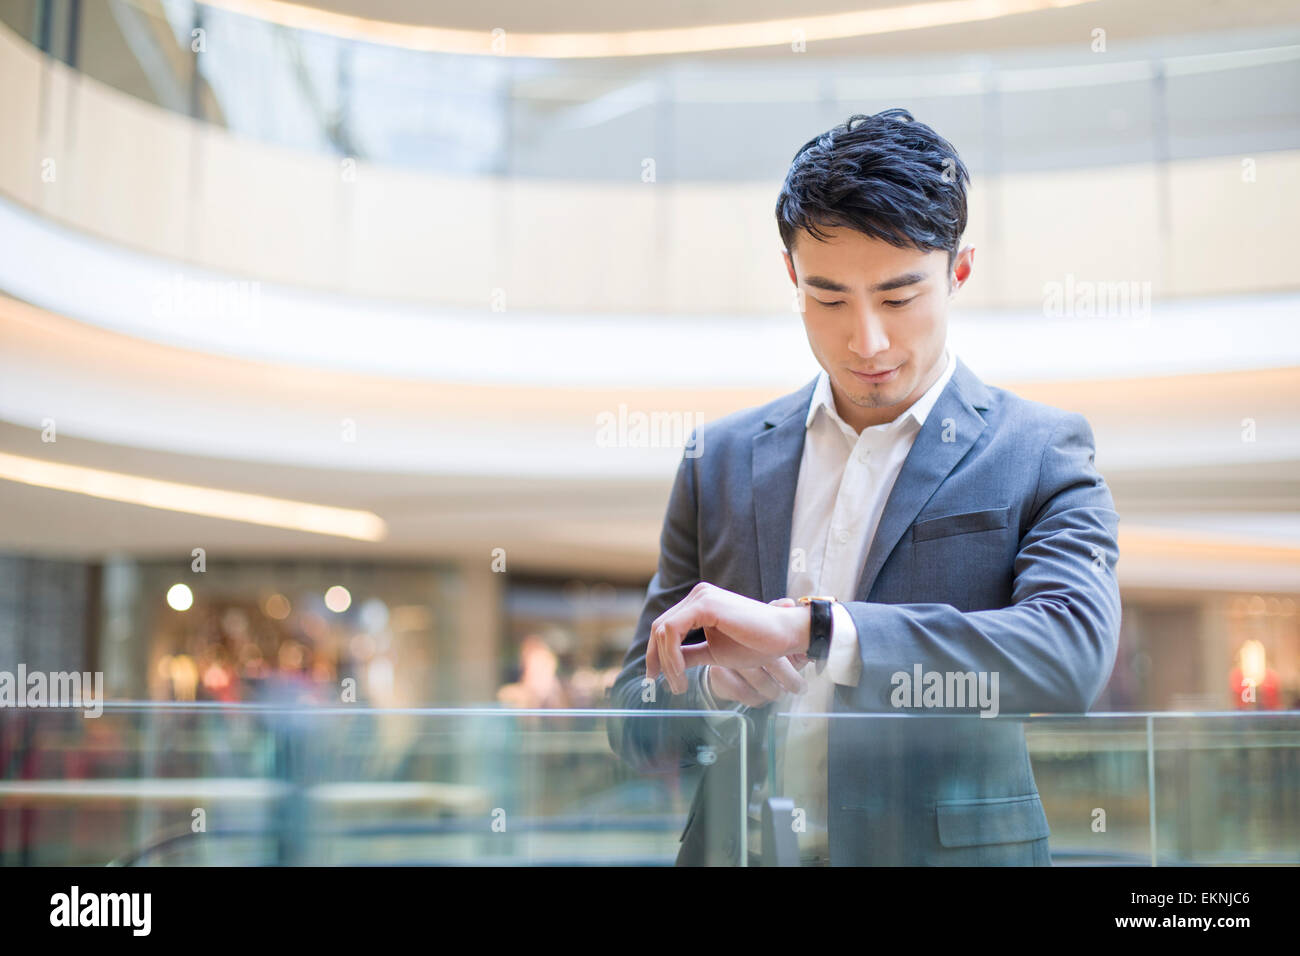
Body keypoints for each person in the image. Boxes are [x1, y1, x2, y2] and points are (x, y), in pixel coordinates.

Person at [605, 109, 1121, 866]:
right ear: (791, 277)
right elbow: (631, 717)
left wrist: (820, 632)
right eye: (830, 298)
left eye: (899, 297)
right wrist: (713, 686)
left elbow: (1069, 656)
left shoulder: (1040, 449)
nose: (866, 341)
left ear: (960, 271)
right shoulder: (717, 457)